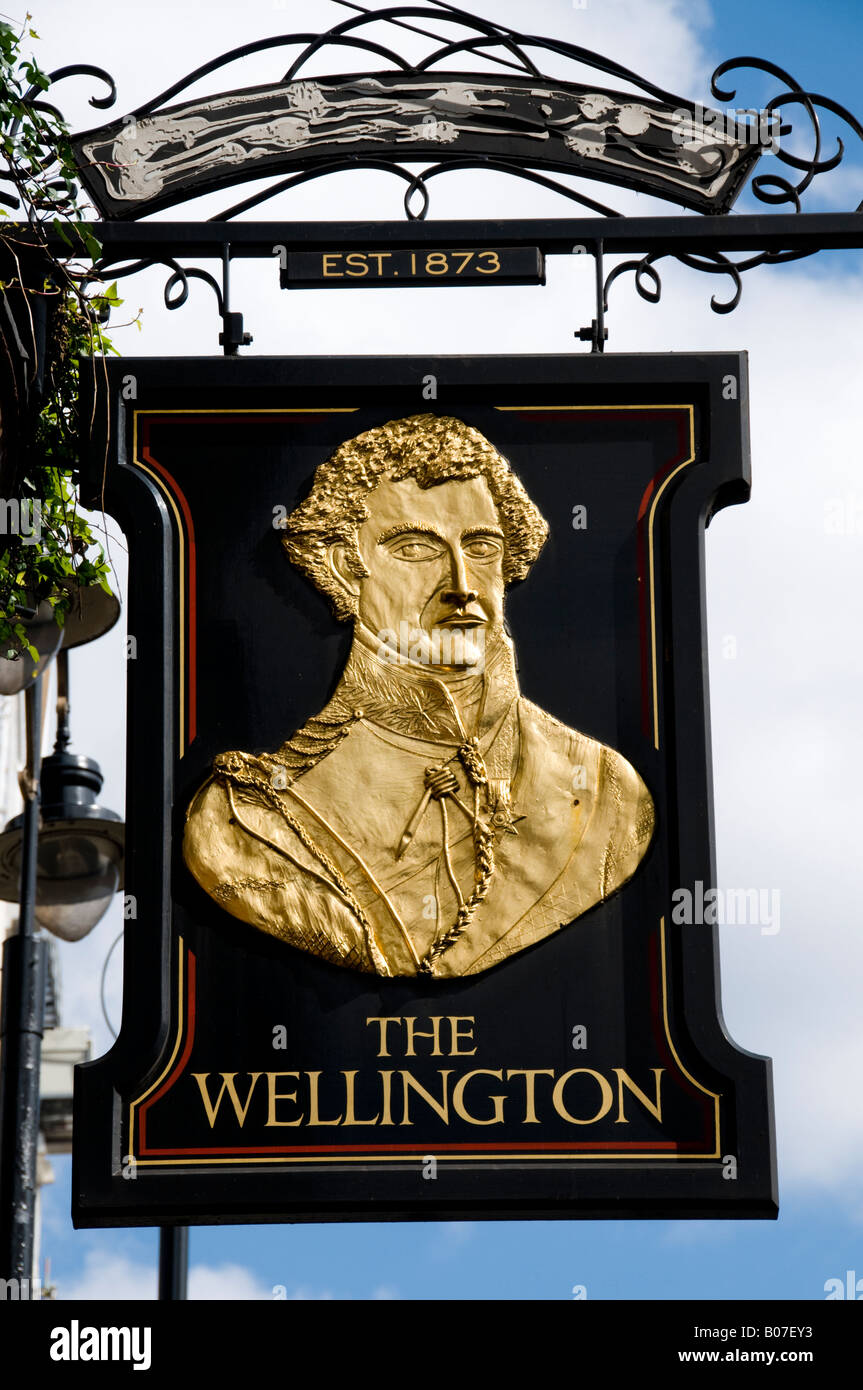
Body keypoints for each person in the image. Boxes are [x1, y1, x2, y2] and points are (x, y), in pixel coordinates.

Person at [183, 413, 654, 977]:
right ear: (343, 565)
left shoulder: (605, 792)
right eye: (415, 549)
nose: (461, 584)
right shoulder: (245, 819)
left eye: (481, 547)